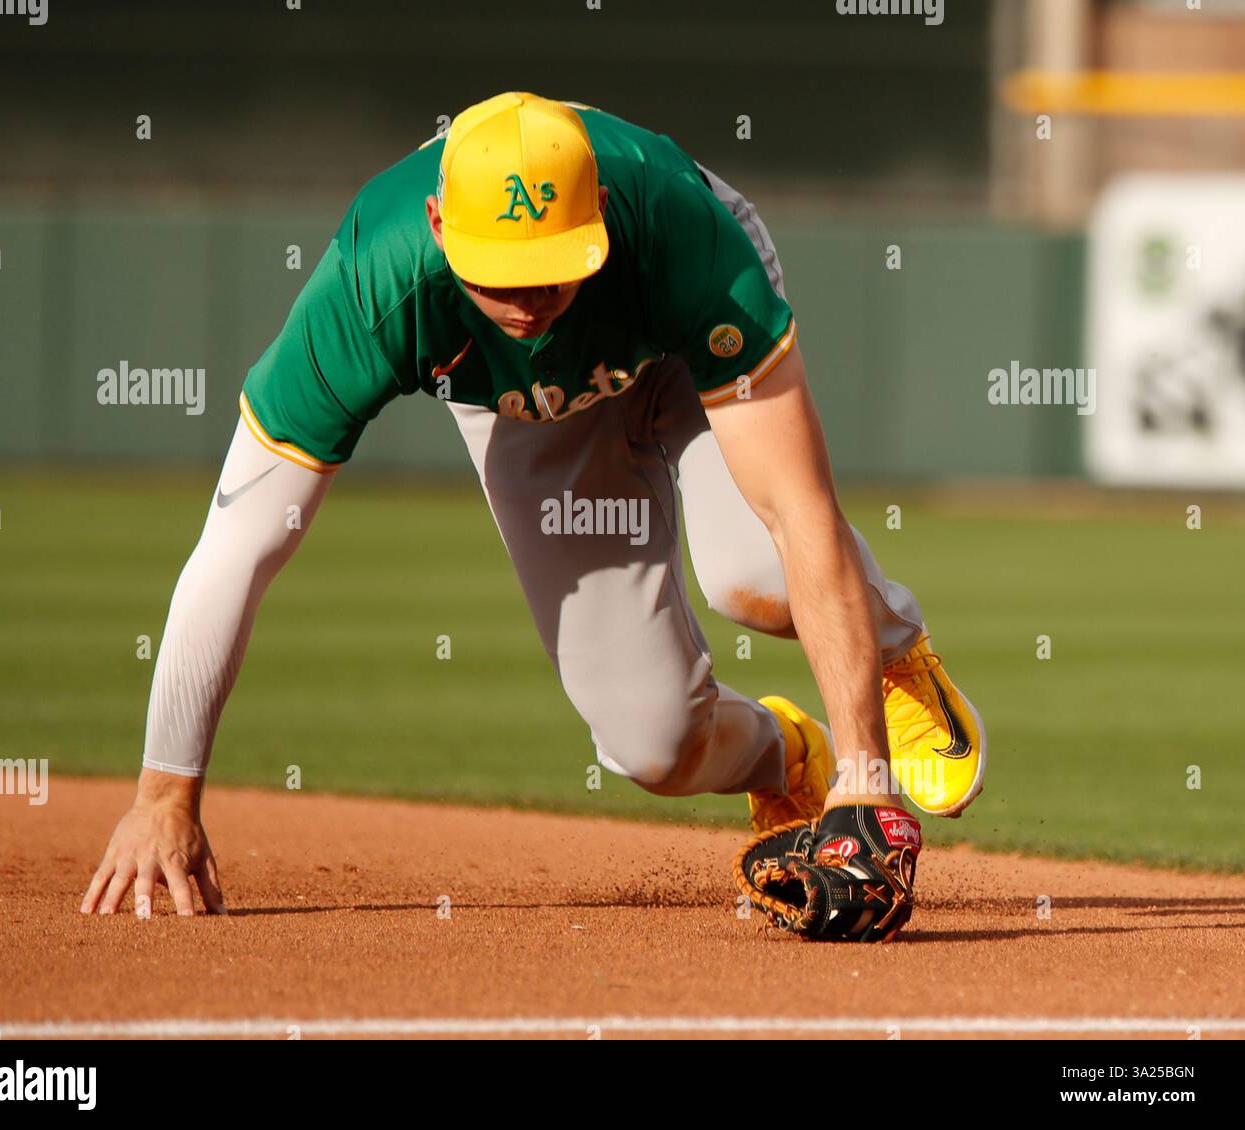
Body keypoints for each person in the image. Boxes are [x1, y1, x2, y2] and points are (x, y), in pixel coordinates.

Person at [81, 93, 985, 941]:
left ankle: (897, 653)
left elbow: (799, 509)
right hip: (526, 407)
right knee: (654, 743)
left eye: (552, 269)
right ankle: (788, 760)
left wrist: (871, 784)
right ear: (440, 228)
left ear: (593, 220)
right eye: (498, 275)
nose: (526, 300)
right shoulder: (372, 282)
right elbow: (239, 545)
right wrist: (166, 794)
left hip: (671, 345)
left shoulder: (678, 230)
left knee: (752, 574)